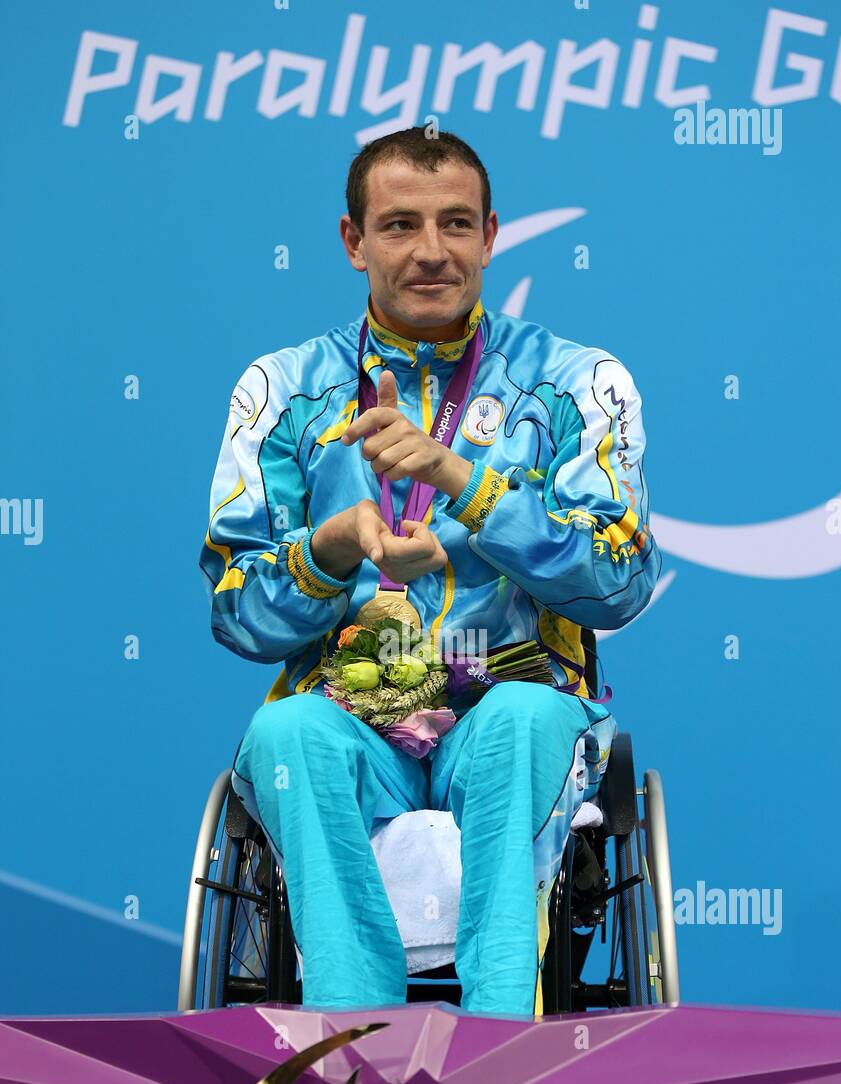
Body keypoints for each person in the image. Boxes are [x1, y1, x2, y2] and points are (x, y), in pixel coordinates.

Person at [199, 127, 661, 1017]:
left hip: (512, 705)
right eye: (400, 225)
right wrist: (330, 549)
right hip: (348, 716)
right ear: (353, 240)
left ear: (492, 235)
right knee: (288, 736)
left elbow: (619, 581)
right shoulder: (283, 389)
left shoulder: (578, 380)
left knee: (526, 718)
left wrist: (469, 488)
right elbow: (237, 616)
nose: (431, 251)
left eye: (456, 224)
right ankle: (346, 1046)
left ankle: (498, 1042)